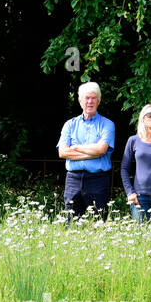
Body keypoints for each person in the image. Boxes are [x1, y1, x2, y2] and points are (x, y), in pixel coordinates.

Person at [57, 82, 115, 222]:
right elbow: (63, 152)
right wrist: (92, 152)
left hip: (98, 179)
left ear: (99, 101)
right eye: (87, 98)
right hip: (73, 179)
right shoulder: (70, 124)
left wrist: (76, 148)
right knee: (71, 222)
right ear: (80, 101)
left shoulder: (107, 124)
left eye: (94, 98)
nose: (90, 101)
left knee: (99, 222)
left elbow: (101, 150)